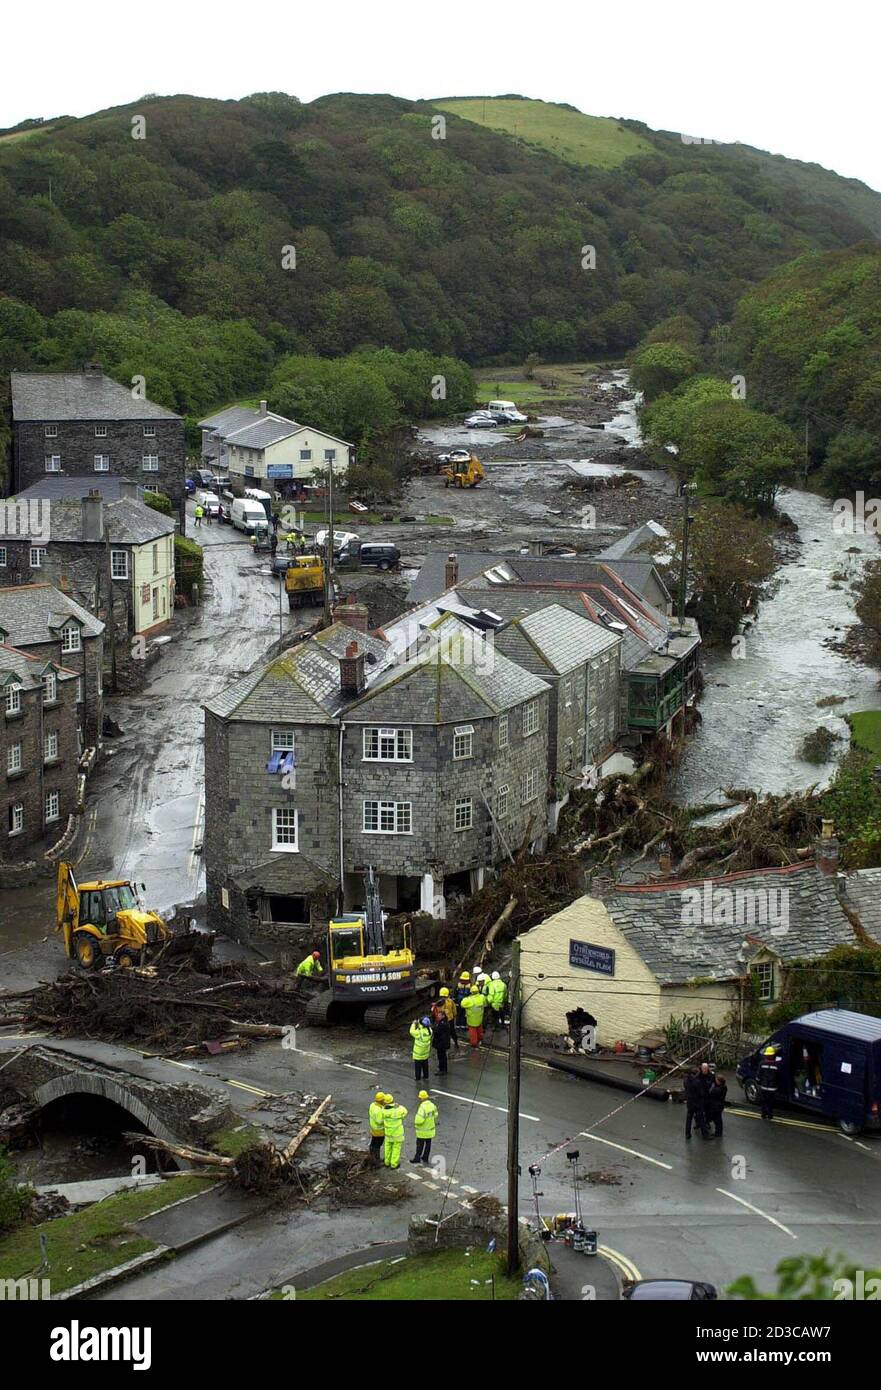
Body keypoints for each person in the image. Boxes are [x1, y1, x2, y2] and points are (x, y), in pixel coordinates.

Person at [411, 1091, 438, 1166]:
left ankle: (417, 1158)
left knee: (420, 1145)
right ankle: (425, 1157)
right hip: (430, 1130)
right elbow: (436, 1115)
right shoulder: (432, 1105)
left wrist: (415, 1123)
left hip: (422, 1131)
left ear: (421, 1098)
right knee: (428, 1144)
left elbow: (419, 1120)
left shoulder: (422, 1107)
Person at [381, 1094, 407, 1170]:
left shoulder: (383, 1111)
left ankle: (386, 1162)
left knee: (388, 1147)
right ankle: (394, 1164)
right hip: (397, 1133)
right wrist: (397, 1106)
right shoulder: (398, 1109)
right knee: (396, 1148)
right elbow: (405, 1111)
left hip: (388, 1133)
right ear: (392, 1100)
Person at [684, 1068, 710, 1139]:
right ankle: (705, 1134)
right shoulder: (697, 1082)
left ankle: (687, 1134)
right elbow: (701, 1093)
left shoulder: (686, 1080)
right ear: (696, 1074)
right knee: (701, 1119)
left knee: (689, 1119)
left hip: (689, 1102)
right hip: (697, 1103)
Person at [757, 1046, 780, 1120]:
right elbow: (779, 1076)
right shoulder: (777, 1065)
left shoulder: (762, 1063)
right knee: (770, 1102)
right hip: (772, 1087)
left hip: (763, 1086)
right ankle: (770, 1115)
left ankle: (763, 1115)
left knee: (764, 1101)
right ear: (773, 1055)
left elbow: (758, 1075)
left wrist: (758, 1082)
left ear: (766, 1055)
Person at [410, 1016, 432, 1083]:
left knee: (418, 1067)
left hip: (418, 1053)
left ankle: (418, 1077)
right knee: (425, 1065)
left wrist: (414, 1024)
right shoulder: (430, 1031)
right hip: (425, 1052)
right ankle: (426, 1076)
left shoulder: (419, 1032)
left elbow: (411, 1031)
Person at [368, 1092, 387, 1164]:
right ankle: (376, 1159)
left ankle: (371, 1156)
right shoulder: (378, 1110)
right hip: (379, 1130)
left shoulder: (372, 1105)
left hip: (373, 1128)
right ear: (381, 1100)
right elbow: (380, 1121)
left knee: (373, 1143)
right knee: (378, 1145)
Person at [707, 1073, 727, 1138]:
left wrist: (712, 1087)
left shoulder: (718, 1089)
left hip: (717, 1106)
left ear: (719, 1081)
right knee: (718, 1119)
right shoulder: (723, 1087)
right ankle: (718, 1132)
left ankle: (718, 1133)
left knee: (717, 1120)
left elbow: (711, 1092)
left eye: (716, 1080)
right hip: (719, 1105)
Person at [432, 1012, 451, 1076]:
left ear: (443, 1016)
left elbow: (437, 1031)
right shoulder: (444, 1022)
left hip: (441, 1043)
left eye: (439, 1015)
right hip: (442, 1043)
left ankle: (442, 1070)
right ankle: (443, 1068)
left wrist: (434, 1027)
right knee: (442, 1056)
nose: (438, 1016)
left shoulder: (442, 1024)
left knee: (441, 1057)